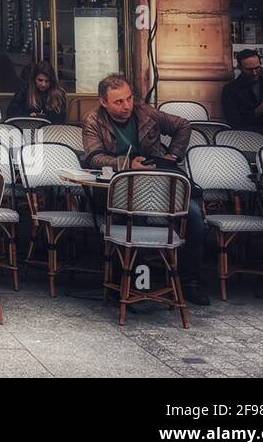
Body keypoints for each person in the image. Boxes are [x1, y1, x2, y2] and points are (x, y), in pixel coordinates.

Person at [81, 73, 211, 305]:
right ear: (103, 102)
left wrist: (172, 156)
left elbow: (183, 125)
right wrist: (126, 164)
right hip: (119, 188)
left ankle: (190, 282)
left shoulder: (145, 113)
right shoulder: (93, 120)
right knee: (134, 218)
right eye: (118, 102)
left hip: (158, 184)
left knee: (193, 215)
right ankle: (131, 283)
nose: (126, 106)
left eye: (129, 99)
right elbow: (94, 157)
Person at [221, 49, 263, 133]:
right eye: (249, 69)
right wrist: (255, 113)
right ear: (239, 67)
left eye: (257, 68)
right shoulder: (230, 89)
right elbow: (233, 120)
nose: (254, 73)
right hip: (244, 136)